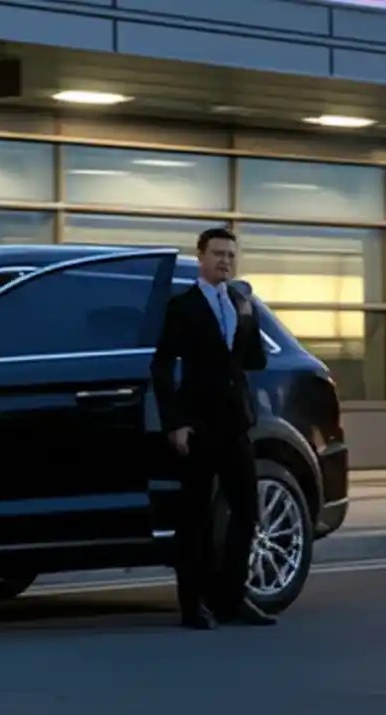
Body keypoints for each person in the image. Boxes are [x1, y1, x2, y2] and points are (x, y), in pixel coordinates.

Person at [150, 227, 278, 630]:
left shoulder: (240, 302)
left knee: (245, 511)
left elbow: (253, 361)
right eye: (218, 254)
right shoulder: (182, 306)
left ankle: (232, 599)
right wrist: (176, 423)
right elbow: (162, 366)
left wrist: (249, 316)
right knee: (195, 518)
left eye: (230, 255)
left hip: (235, 423)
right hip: (198, 425)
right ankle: (192, 605)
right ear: (201, 256)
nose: (225, 261)